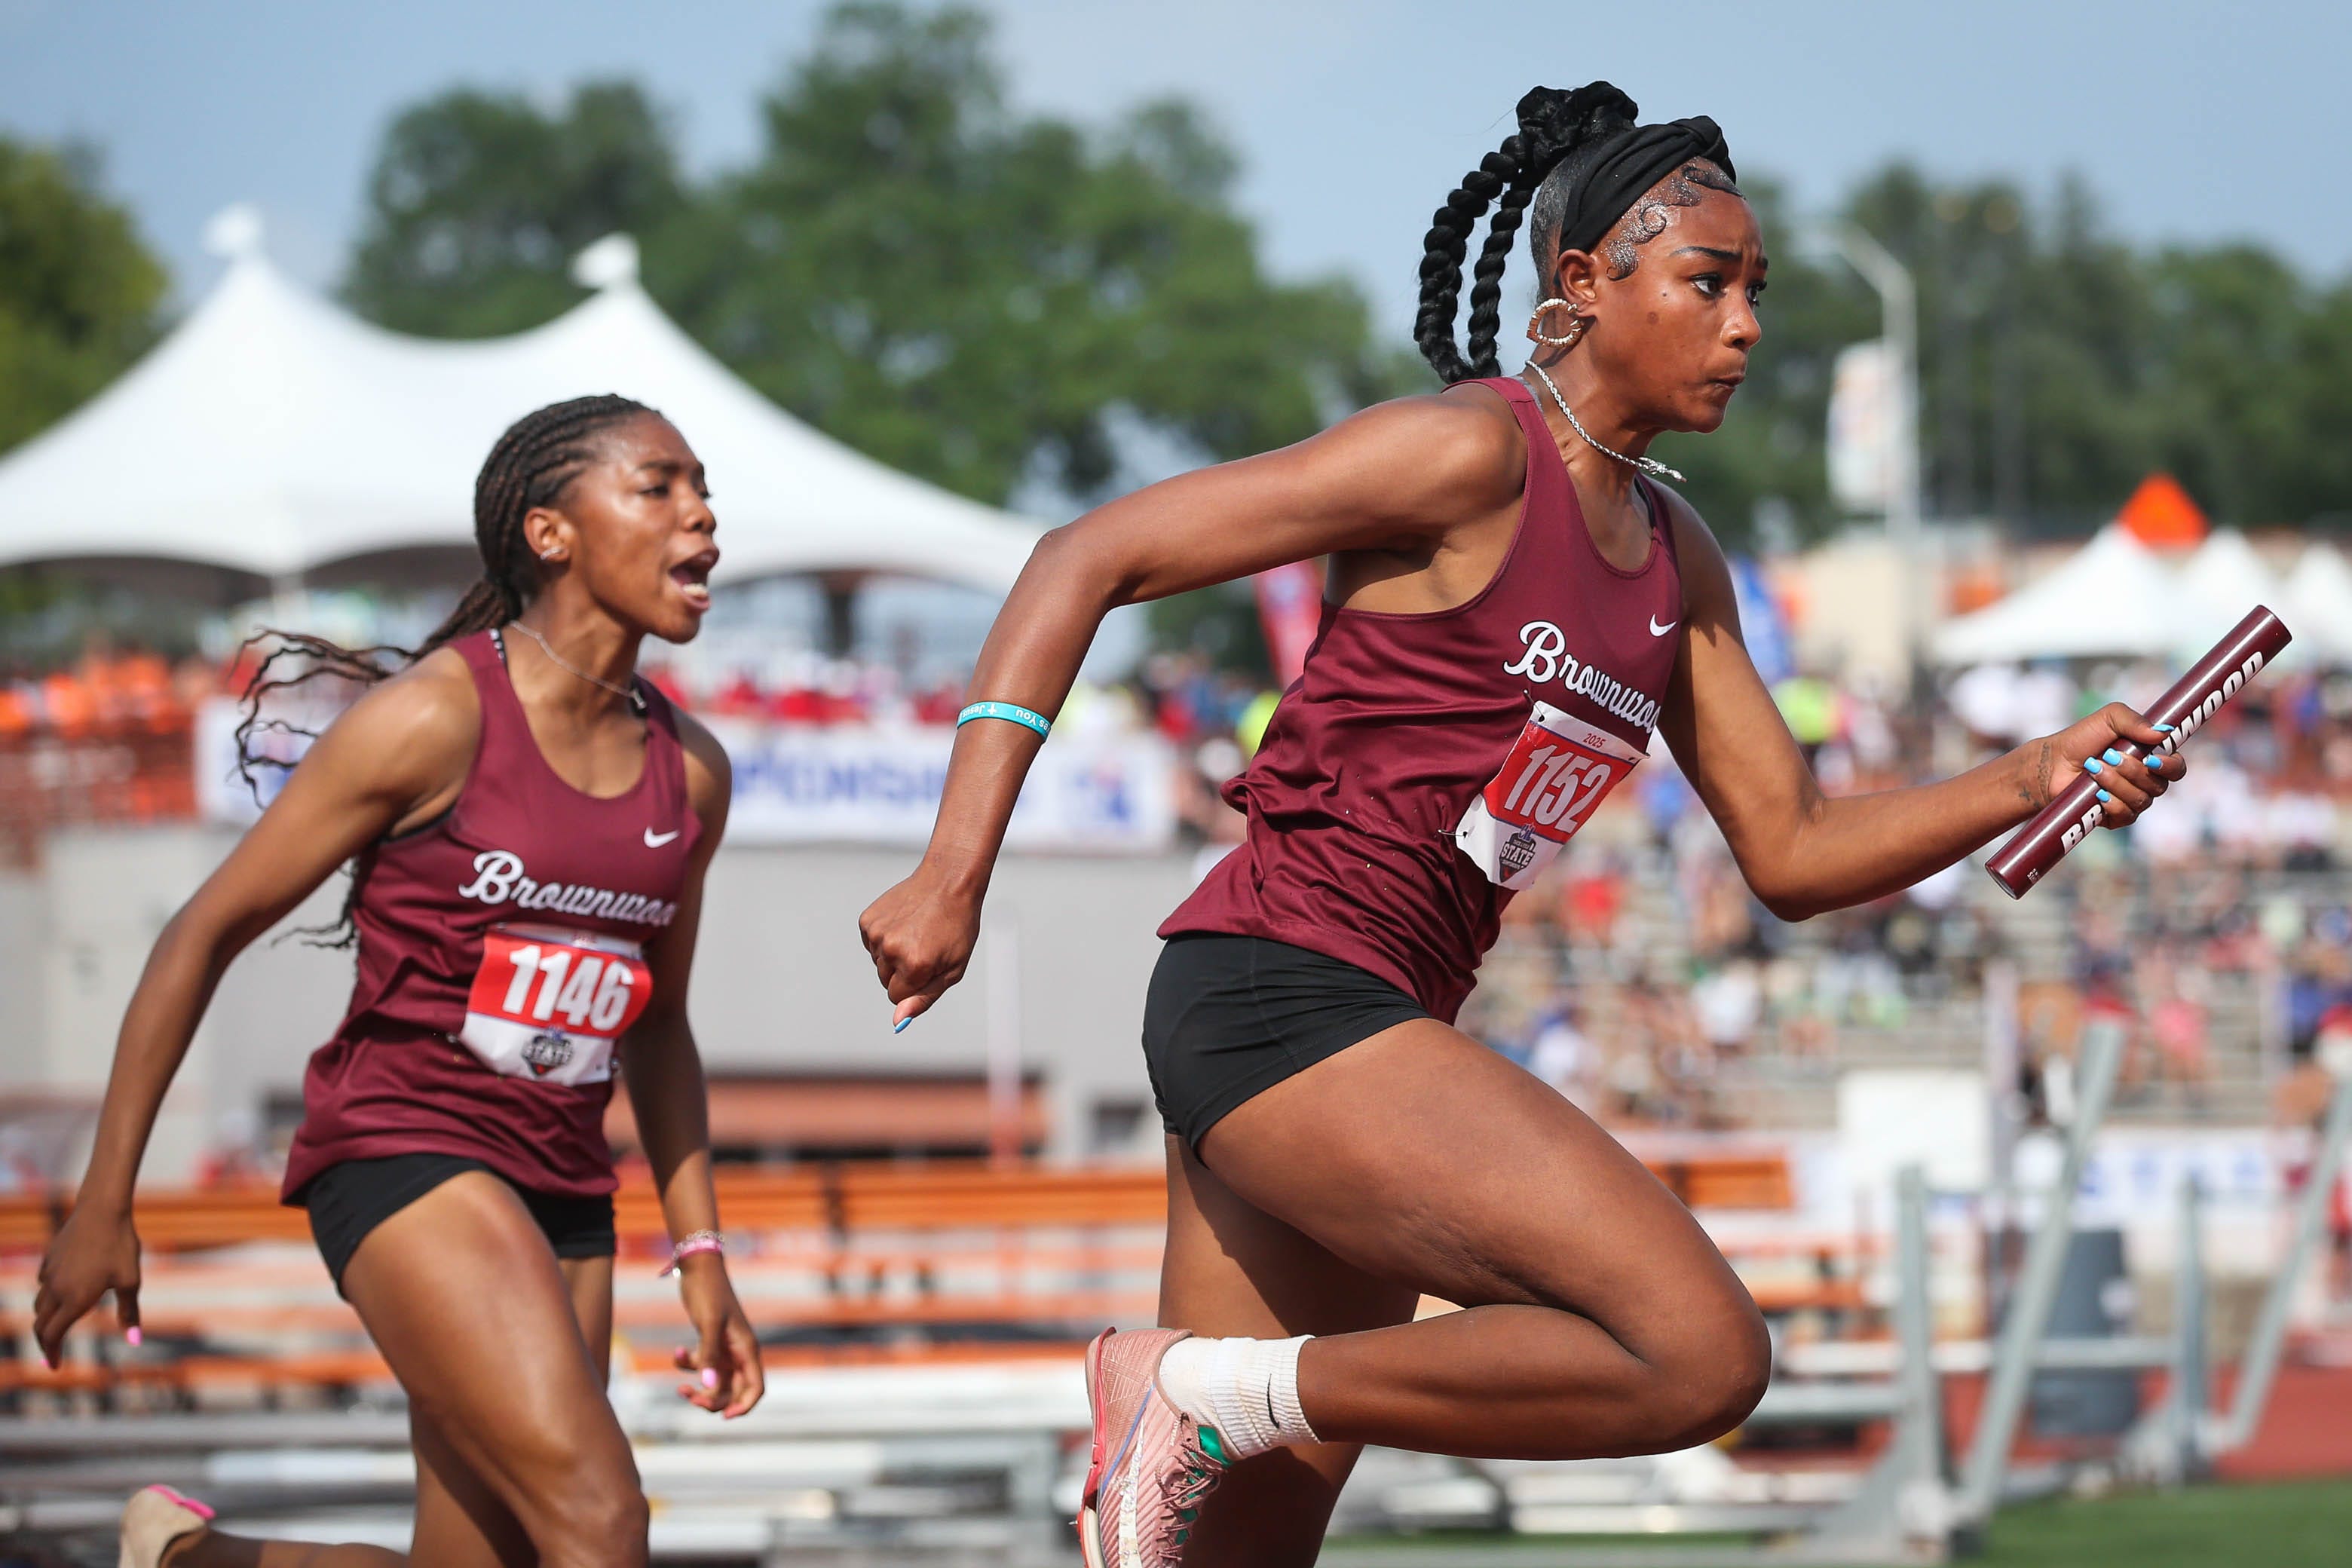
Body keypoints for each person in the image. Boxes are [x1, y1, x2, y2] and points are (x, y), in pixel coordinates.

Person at [858, 83, 2182, 1567]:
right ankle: (1186, 1386)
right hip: (1276, 989)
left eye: (1759, 290)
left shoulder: (1680, 563)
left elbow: (1797, 852)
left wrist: (2030, 775)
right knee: (1696, 1350)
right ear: (1581, 287)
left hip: (1351, 1025)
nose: (1749, 324)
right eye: (1709, 282)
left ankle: (1203, 1400)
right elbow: (1084, 551)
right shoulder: (1466, 455)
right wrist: (951, 868)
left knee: (1240, 1541)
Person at [32, 395, 761, 1568]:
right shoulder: (430, 717)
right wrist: (103, 1201)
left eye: (705, 488)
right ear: (550, 533)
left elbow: (660, 1023)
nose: (704, 516)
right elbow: (201, 930)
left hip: (567, 1193)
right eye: (661, 486)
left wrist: (702, 1252)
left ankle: (182, 1559)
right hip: (407, 1152)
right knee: (601, 1519)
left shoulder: (695, 772)